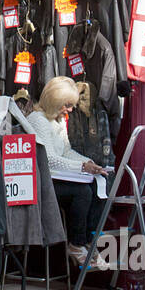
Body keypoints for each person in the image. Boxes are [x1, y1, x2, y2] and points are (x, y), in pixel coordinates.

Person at [28, 77, 110, 269]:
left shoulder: (57, 121)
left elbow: (66, 151)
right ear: (54, 100)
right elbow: (48, 159)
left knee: (99, 185)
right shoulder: (37, 120)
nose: (71, 110)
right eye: (67, 105)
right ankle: (76, 243)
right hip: (43, 183)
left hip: (56, 179)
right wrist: (82, 167)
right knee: (82, 192)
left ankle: (89, 242)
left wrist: (88, 163)